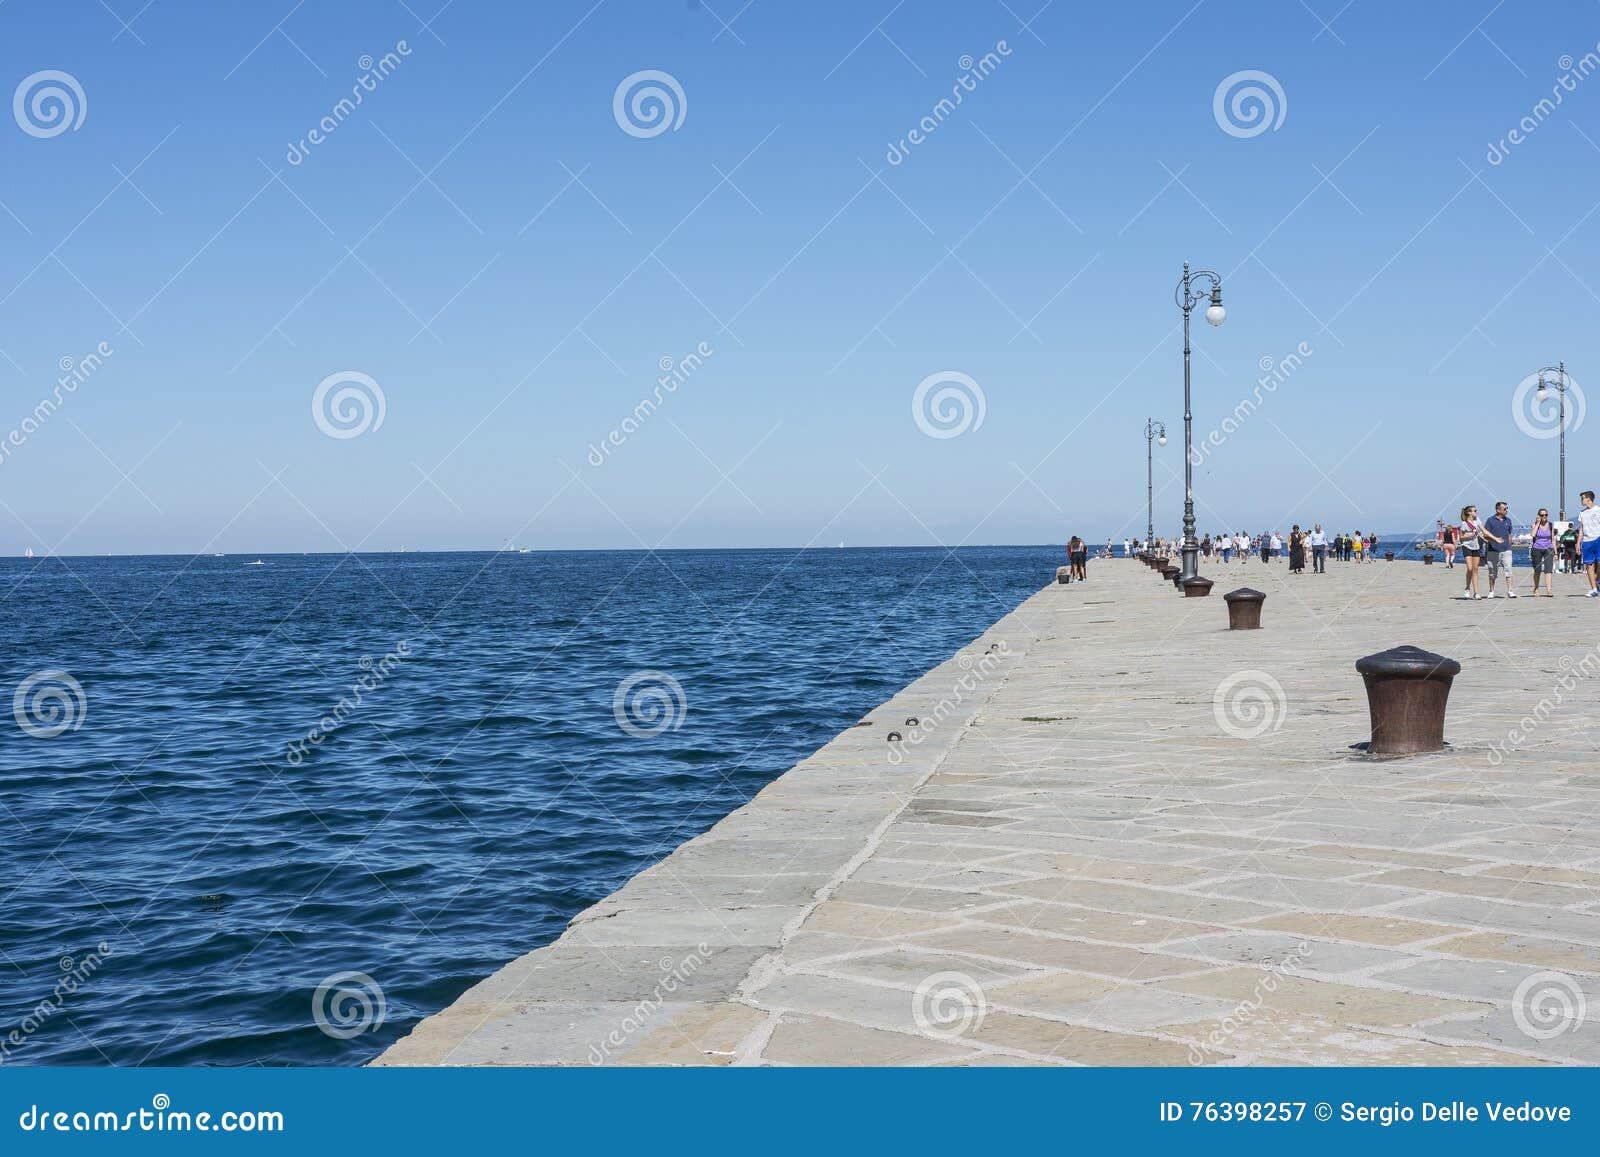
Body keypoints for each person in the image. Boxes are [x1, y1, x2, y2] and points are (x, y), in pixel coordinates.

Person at [1482, 500, 1516, 598]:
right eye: (1505, 509)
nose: (1507, 510)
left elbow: (1509, 534)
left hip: (1506, 550)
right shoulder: (1490, 520)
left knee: (1508, 569)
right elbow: (1485, 535)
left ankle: (1510, 590)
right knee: (1492, 572)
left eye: (1507, 508)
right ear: (1498, 510)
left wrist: (1510, 543)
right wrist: (1495, 540)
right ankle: (1491, 591)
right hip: (1493, 550)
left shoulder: (1508, 520)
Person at [1457, 505, 1485, 599]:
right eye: (1474, 511)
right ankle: (1467, 588)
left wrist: (1488, 538)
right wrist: (1470, 536)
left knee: (1475, 569)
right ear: (1469, 512)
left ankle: (1476, 592)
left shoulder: (1477, 521)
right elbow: (1460, 537)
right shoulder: (1464, 524)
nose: (1476, 512)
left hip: (1476, 547)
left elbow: (1482, 531)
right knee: (1469, 568)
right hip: (1466, 546)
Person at [1577, 490, 1600, 597]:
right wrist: (1578, 543)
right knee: (1589, 565)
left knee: (1599, 563)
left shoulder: (1598, 510)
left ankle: (1597, 579)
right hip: (1586, 541)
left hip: (1598, 538)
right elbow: (1581, 529)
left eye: (1582, 498)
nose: (1581, 500)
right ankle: (1594, 589)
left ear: (1588, 499)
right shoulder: (1582, 513)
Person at [1529, 508, 1556, 597]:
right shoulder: (1534, 525)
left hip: (1548, 549)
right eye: (1542, 515)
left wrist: (1555, 552)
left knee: (1548, 570)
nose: (1544, 516)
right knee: (1538, 570)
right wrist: (1538, 523)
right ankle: (1536, 588)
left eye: (1546, 515)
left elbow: (1553, 539)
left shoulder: (1551, 525)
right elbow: (1533, 534)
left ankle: (1549, 590)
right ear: (1539, 516)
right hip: (1537, 549)